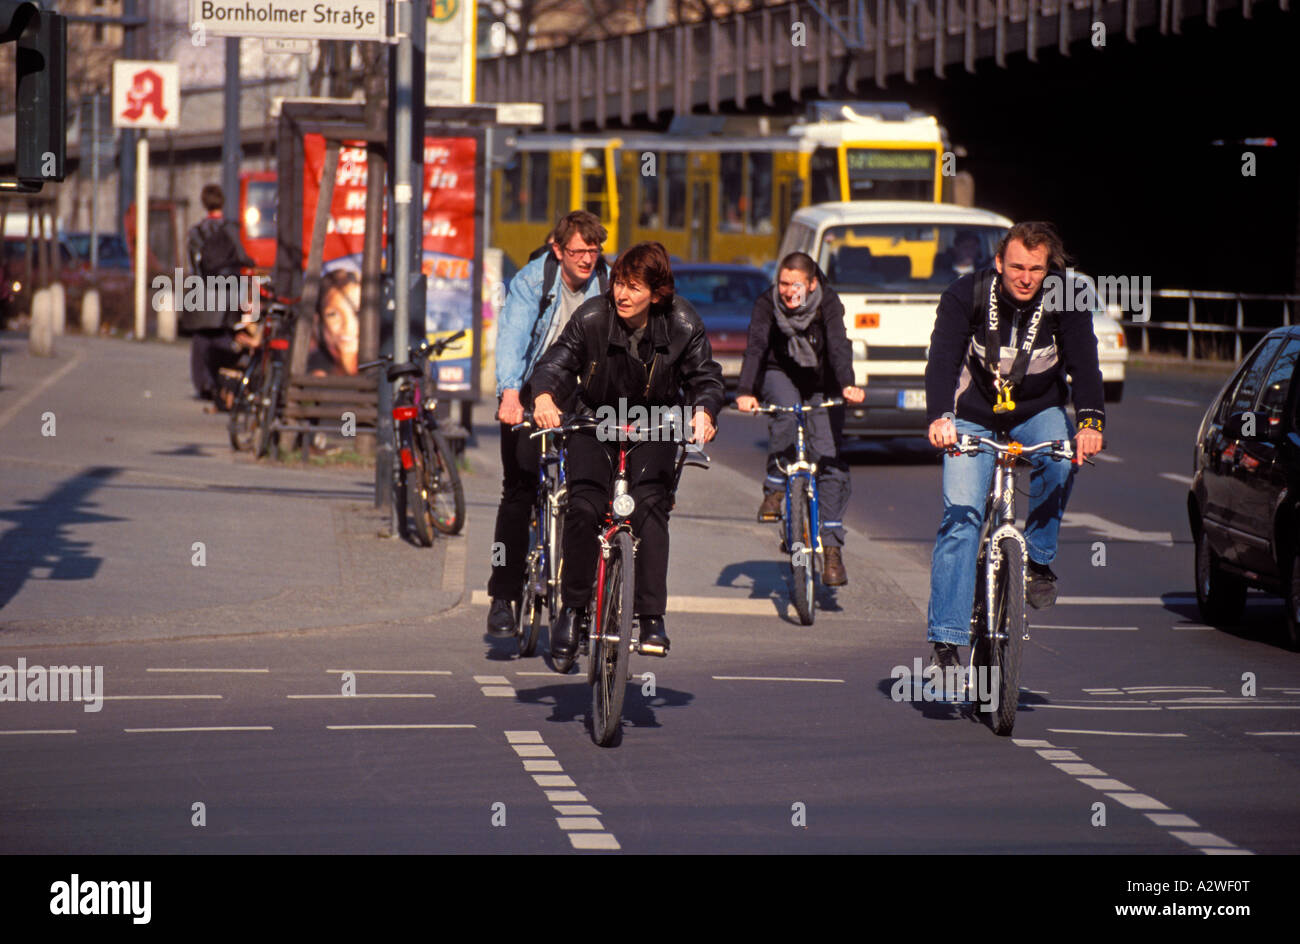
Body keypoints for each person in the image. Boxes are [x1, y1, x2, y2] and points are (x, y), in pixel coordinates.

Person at [924, 221, 1105, 673]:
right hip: (973, 413)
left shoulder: (1069, 294)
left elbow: (1085, 362)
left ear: (1051, 269)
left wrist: (1090, 422)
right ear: (999, 262)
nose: (1026, 278)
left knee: (1062, 459)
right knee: (962, 517)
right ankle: (947, 639)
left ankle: (1038, 561)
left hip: (1035, 412)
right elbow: (943, 358)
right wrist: (940, 416)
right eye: (1017, 267)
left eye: (1037, 270)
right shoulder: (964, 294)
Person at [530, 241, 724, 662]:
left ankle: (652, 618)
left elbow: (706, 377)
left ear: (657, 293)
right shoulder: (593, 317)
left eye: (634, 287)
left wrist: (704, 412)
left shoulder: (683, 323)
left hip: (654, 423)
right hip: (594, 420)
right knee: (583, 507)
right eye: (618, 282)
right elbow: (558, 362)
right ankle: (574, 610)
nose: (621, 294)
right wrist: (545, 395)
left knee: (651, 509)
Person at [485, 211, 611, 636]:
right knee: (518, 491)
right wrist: (508, 395)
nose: (588, 259)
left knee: (589, 496)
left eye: (594, 251)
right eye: (579, 251)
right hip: (525, 390)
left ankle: (581, 602)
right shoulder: (530, 282)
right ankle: (503, 594)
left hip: (579, 394)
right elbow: (514, 338)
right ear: (559, 250)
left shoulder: (608, 285)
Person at [735, 252, 864, 587]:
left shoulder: (829, 303)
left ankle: (832, 550)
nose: (788, 292)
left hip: (824, 381)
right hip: (782, 374)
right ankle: (775, 488)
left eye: (796, 285)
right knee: (787, 414)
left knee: (829, 457)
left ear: (811, 284)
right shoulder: (767, 304)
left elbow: (838, 345)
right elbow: (756, 346)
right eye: (782, 284)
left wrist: (848, 383)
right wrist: (746, 390)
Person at [185, 184, 254, 408]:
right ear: (222, 202)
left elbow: (194, 263)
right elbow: (242, 256)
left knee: (202, 338)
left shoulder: (196, 231)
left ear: (204, 204)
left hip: (205, 287)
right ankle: (226, 381)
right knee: (227, 333)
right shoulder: (231, 228)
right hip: (229, 287)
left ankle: (204, 382)